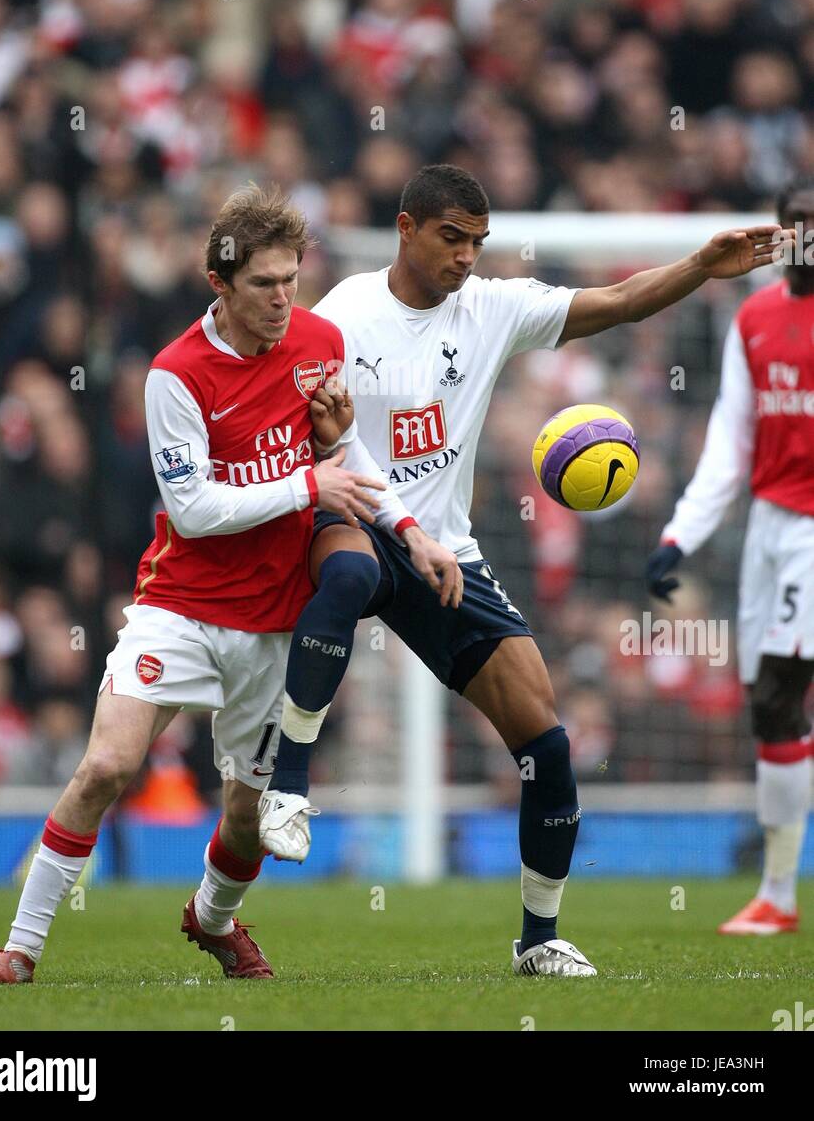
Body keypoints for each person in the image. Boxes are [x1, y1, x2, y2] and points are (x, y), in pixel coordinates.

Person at [258, 163, 789, 979]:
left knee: (546, 743)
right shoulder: (343, 317)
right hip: (354, 518)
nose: (467, 257)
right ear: (405, 229)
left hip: (446, 551)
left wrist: (696, 267)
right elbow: (309, 422)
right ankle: (288, 782)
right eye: (450, 238)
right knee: (350, 579)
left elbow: (612, 304)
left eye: (477, 242)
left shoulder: (493, 309)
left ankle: (537, 939)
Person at [0, 184, 460, 985]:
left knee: (245, 813)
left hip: (274, 624)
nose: (280, 298)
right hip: (183, 608)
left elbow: (349, 454)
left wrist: (412, 532)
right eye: (263, 284)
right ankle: (20, 949)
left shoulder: (320, 342)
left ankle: (213, 919)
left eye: (290, 279)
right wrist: (308, 487)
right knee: (105, 766)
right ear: (219, 285)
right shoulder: (175, 374)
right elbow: (194, 510)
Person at [647, 176, 814, 935]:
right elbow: (728, 441)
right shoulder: (752, 318)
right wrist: (679, 534)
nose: (803, 235)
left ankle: (777, 893)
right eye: (794, 224)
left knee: (783, 685)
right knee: (769, 702)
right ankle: (776, 894)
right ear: (777, 232)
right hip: (769, 528)